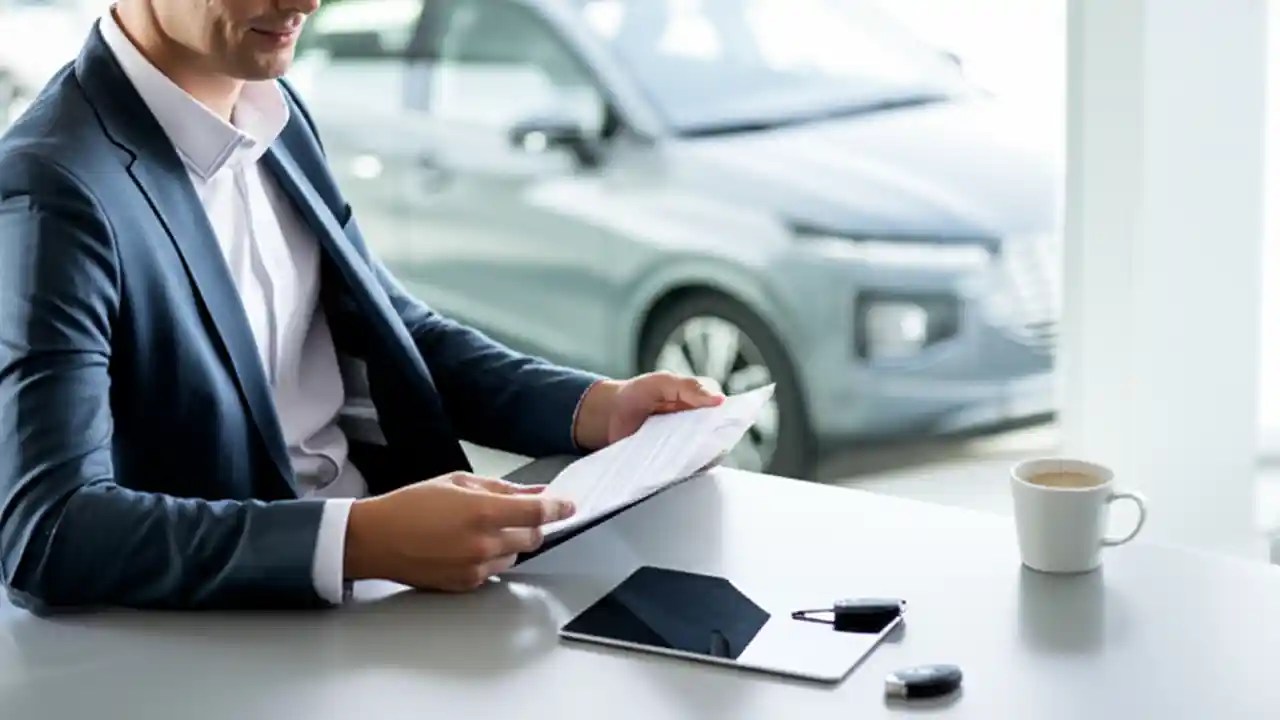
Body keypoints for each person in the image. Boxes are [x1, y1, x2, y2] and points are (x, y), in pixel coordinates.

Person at [0, 0, 725, 613]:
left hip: (402, 592)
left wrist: (598, 407)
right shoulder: (55, 188)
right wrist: (360, 540)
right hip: (260, 635)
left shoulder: (273, 114)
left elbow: (395, 333)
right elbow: (49, 527)